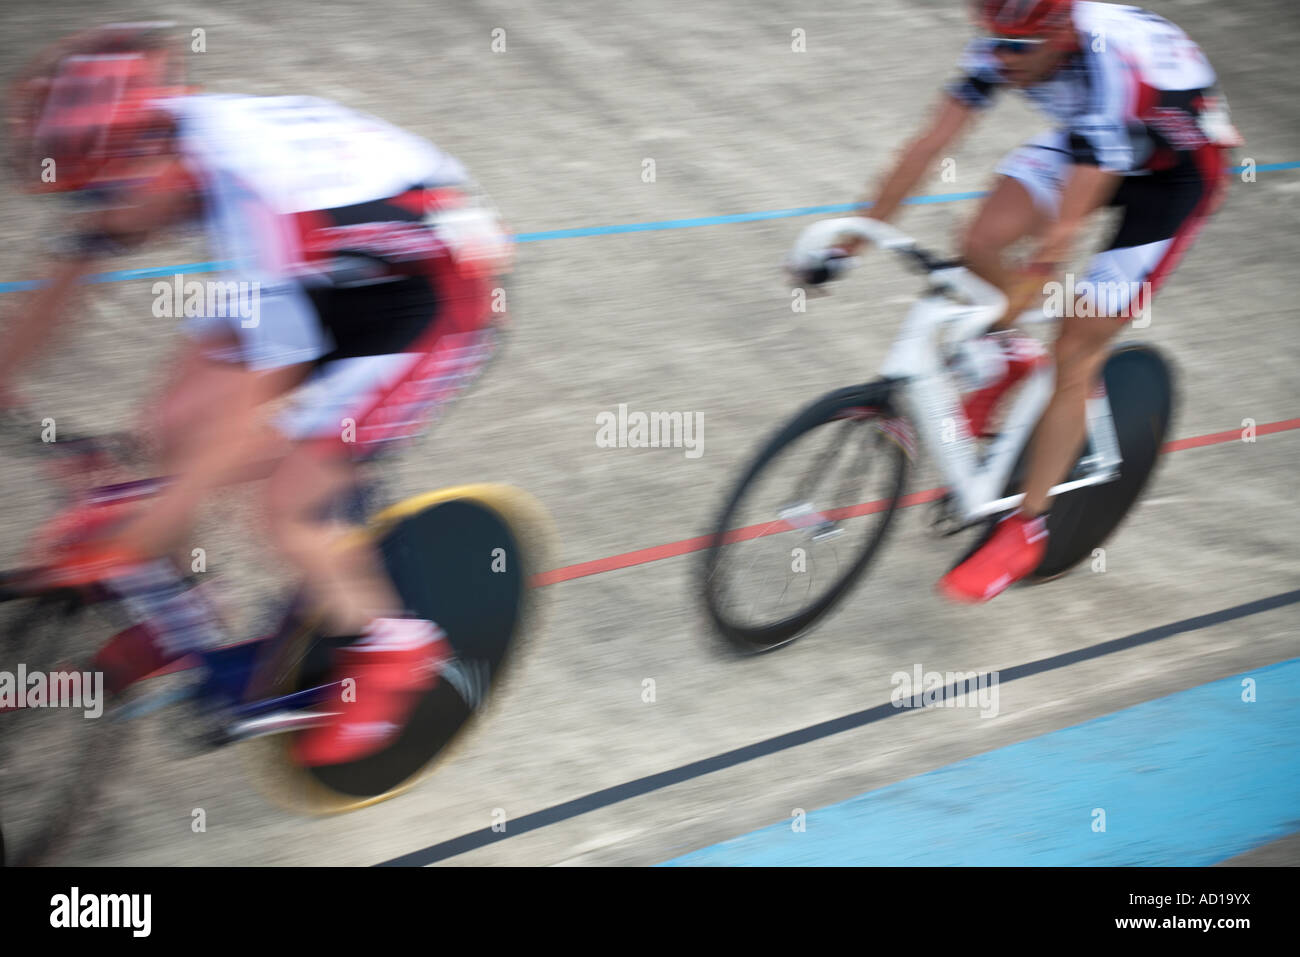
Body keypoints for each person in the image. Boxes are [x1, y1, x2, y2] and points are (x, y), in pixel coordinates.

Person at [0, 22, 510, 763]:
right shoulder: (157, 151)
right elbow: (65, 274)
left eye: (102, 194)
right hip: (330, 270)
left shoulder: (254, 195)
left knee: (288, 506)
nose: (94, 215)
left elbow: (253, 402)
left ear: (149, 157)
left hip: (439, 299)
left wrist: (158, 517)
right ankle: (183, 610)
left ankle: (393, 651)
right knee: (168, 430)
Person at [795, 0, 1239, 602]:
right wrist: (852, 242)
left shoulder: (1110, 63)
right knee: (981, 241)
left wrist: (1035, 287)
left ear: (1059, 33)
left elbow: (1061, 239)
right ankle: (1015, 354)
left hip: (1176, 176)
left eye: (1016, 48)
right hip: (1098, 141)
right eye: (992, 40)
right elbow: (927, 146)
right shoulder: (1012, 38)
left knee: (1076, 346)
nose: (1000, 58)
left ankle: (1028, 526)